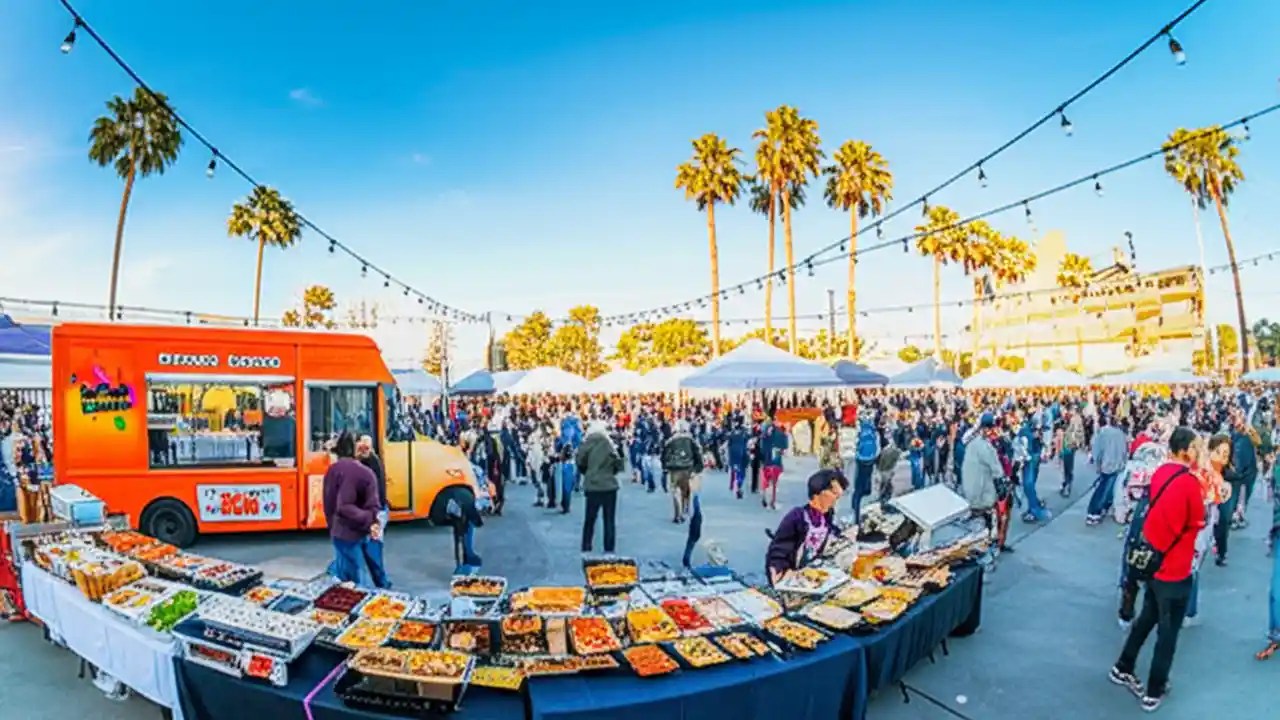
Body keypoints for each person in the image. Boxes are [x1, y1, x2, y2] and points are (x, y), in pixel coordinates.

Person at [1110, 426, 1204, 713]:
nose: (1200, 450)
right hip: (1175, 570)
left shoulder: (1162, 471)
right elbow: (1198, 519)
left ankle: (1123, 666)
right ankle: (1154, 689)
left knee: (1147, 617)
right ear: (1186, 449)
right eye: (1197, 446)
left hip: (1152, 563)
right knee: (1168, 633)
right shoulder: (1189, 483)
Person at [765, 469, 847, 584]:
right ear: (818, 492)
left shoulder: (827, 516)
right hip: (792, 578)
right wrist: (779, 572)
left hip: (812, 575)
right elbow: (779, 549)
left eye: (838, 496)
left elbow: (831, 534)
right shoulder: (797, 516)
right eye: (833, 493)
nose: (836, 499)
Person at [322, 432, 380, 584]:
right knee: (357, 582)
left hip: (339, 531)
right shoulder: (367, 473)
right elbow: (371, 505)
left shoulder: (333, 470)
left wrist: (332, 526)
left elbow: (328, 502)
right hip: (356, 532)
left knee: (346, 578)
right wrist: (370, 521)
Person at [961, 413, 1006, 565]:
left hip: (970, 490)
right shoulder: (984, 446)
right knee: (985, 524)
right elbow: (996, 468)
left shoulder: (971, 443)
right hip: (982, 492)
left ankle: (975, 550)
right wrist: (1001, 484)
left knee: (975, 522)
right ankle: (985, 556)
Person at [576, 420, 622, 553]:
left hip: (593, 486)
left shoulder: (587, 443)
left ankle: (586, 546)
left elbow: (580, 461)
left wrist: (588, 473)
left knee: (590, 519)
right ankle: (609, 549)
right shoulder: (609, 444)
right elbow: (618, 464)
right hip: (609, 486)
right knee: (609, 520)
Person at [355, 436, 392, 589]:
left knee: (370, 549)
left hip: (374, 513)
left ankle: (382, 584)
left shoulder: (367, 464)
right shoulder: (373, 461)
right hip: (377, 511)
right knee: (366, 548)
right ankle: (381, 583)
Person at [1088, 417, 1129, 525]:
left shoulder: (1104, 432)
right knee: (1105, 490)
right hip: (1116, 465)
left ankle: (1094, 511)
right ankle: (1095, 511)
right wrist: (1123, 463)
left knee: (1102, 487)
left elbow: (1097, 449)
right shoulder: (1122, 435)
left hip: (1106, 464)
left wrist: (1097, 463)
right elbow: (1125, 452)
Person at [661, 419, 703, 523]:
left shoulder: (670, 441)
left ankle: (678, 515)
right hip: (687, 468)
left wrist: (665, 467)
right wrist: (698, 468)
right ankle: (685, 507)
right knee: (685, 490)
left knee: (675, 491)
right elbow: (697, 454)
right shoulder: (691, 440)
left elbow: (664, 455)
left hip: (674, 468)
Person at [844, 412, 879, 523]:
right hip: (870, 462)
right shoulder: (873, 434)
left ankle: (855, 510)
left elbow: (855, 448)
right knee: (866, 487)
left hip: (861, 462)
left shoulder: (861, 434)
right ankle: (862, 512)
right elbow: (877, 449)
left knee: (858, 489)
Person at [759, 418, 788, 511]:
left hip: (767, 461)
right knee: (774, 483)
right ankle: (772, 501)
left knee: (765, 481)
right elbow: (785, 448)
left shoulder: (764, 435)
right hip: (777, 463)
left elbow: (762, 448)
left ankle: (764, 496)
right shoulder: (781, 434)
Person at [1060, 410, 1085, 497]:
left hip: (1069, 446)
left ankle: (1067, 485)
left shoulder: (1074, 423)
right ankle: (1067, 483)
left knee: (1068, 467)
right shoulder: (1075, 422)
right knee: (1068, 467)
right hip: (1069, 446)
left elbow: (1077, 436)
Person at [726, 416, 749, 499]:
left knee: (735, 470)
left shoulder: (732, 433)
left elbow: (729, 444)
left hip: (733, 454)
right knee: (741, 473)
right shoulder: (744, 432)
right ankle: (739, 487)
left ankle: (734, 486)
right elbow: (747, 442)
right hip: (742, 454)